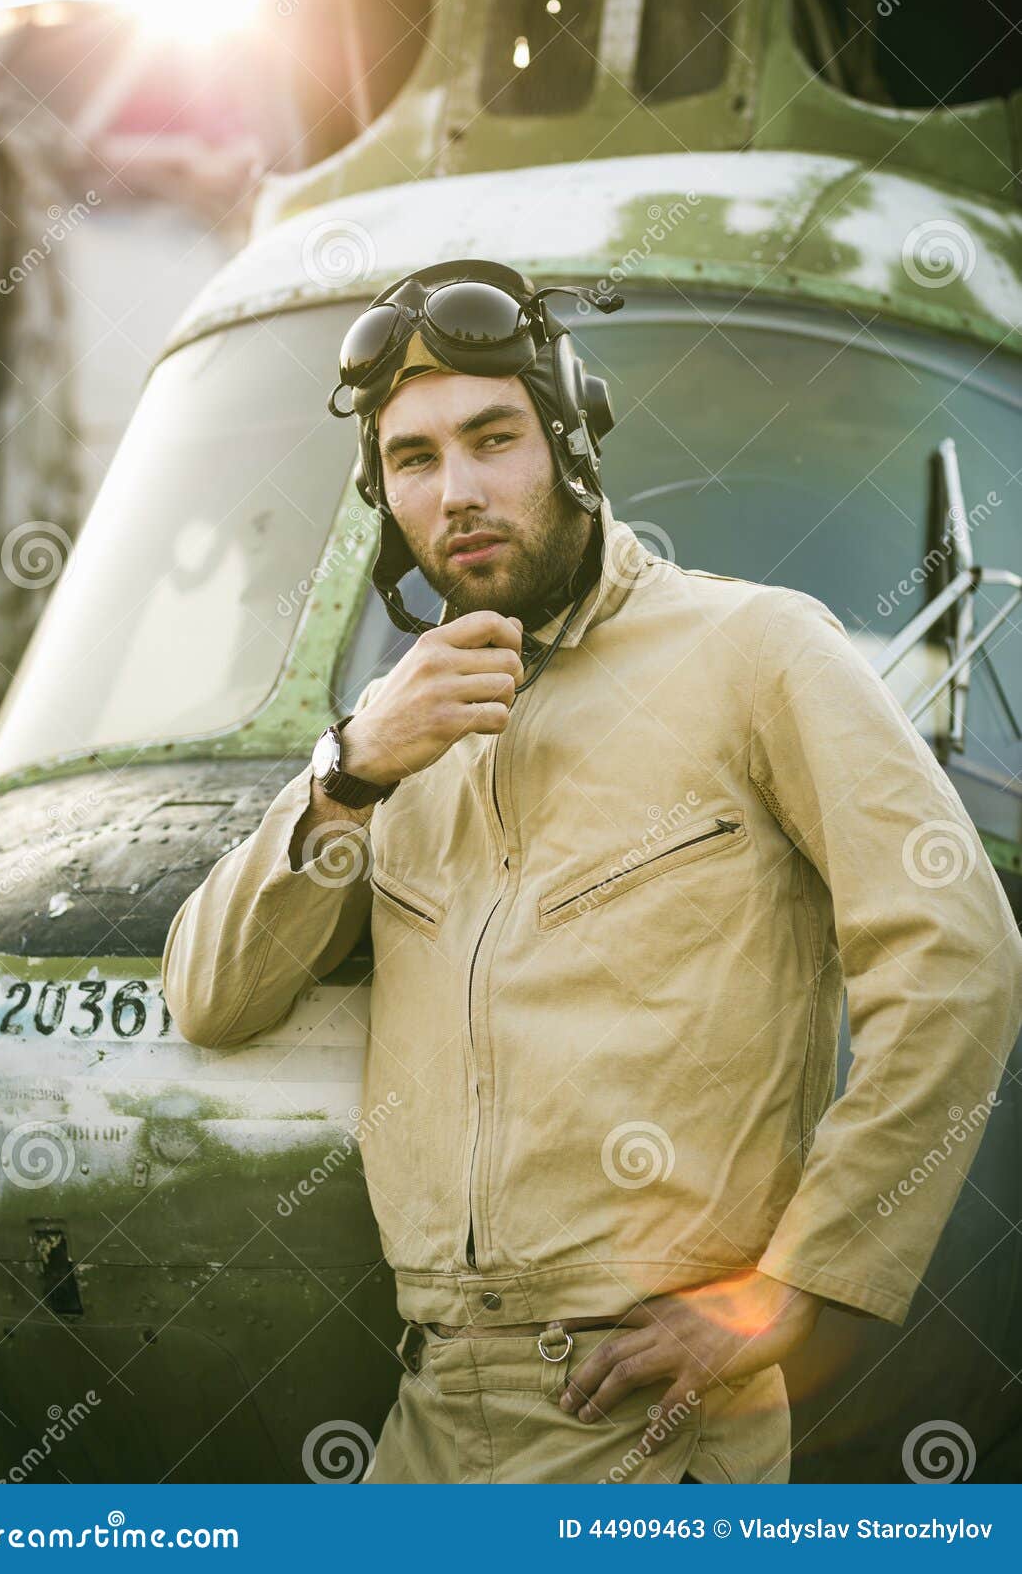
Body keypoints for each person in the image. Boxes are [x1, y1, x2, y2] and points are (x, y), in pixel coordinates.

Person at [161, 260, 1022, 1485]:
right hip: (428, 1411)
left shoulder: (757, 649)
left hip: (649, 1419)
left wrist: (793, 1287)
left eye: (491, 438)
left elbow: (957, 956)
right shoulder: (399, 736)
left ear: (568, 441)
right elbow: (211, 995)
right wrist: (349, 768)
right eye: (413, 460)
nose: (457, 491)